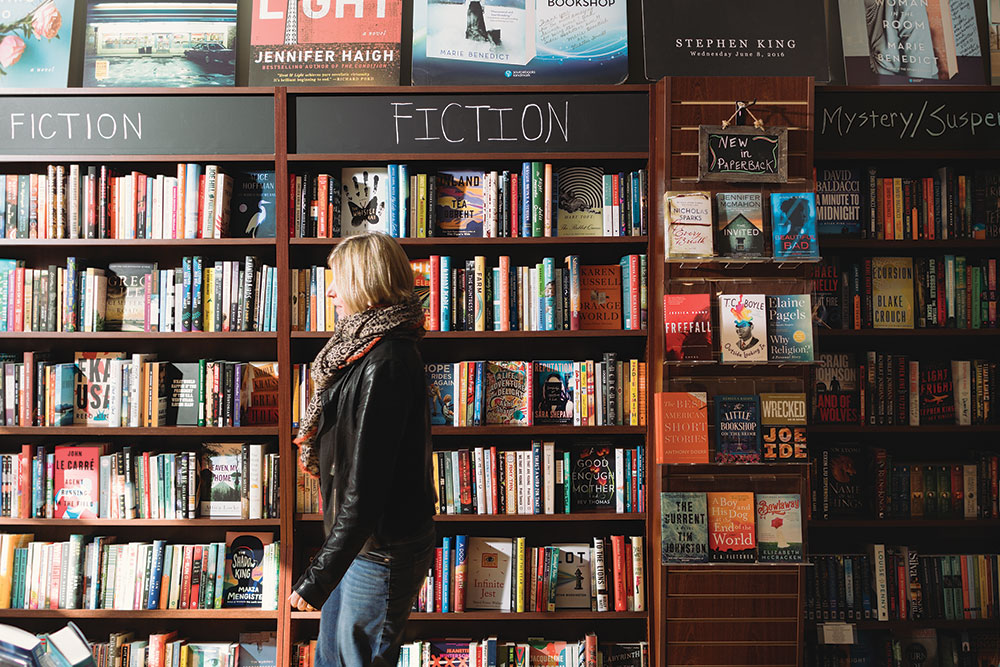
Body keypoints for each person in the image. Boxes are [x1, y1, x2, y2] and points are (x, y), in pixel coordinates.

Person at [289, 232, 436, 667]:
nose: (330, 291)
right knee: (330, 659)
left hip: (381, 549)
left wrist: (319, 577)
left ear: (367, 283)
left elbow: (366, 485)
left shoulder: (386, 361)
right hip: (358, 544)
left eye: (339, 280)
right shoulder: (359, 349)